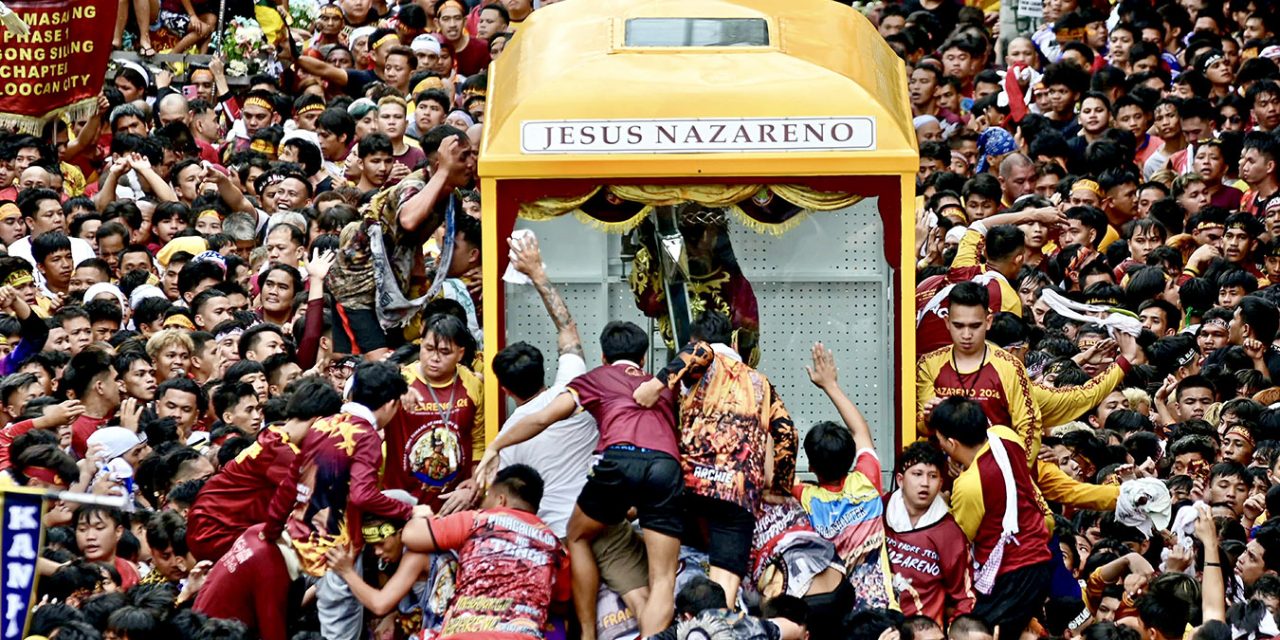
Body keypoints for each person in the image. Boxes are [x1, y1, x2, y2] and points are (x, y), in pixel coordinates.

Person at [477, 321, 682, 639]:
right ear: (643, 359)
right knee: (663, 580)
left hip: (619, 463)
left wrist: (496, 445)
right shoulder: (661, 386)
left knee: (578, 535)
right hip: (666, 467)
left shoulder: (595, 379)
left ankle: (587, 634)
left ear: (603, 356)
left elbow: (543, 418)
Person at [399, 464, 570, 638]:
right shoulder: (555, 546)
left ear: (500, 500)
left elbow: (411, 535)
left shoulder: (478, 520)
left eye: (488, 495)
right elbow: (561, 600)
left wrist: (421, 513)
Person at [931, 397, 1053, 640]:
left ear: (952, 444)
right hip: (1040, 562)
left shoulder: (969, 486)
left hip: (1011, 576)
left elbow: (960, 538)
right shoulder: (1006, 436)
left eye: (941, 440)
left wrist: (944, 499)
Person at [885, 441, 975, 625]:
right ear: (901, 480)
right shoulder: (878, 510)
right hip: (880, 628)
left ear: (941, 483)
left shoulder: (950, 533)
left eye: (932, 476)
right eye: (917, 474)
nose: (924, 483)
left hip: (925, 630)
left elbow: (965, 598)